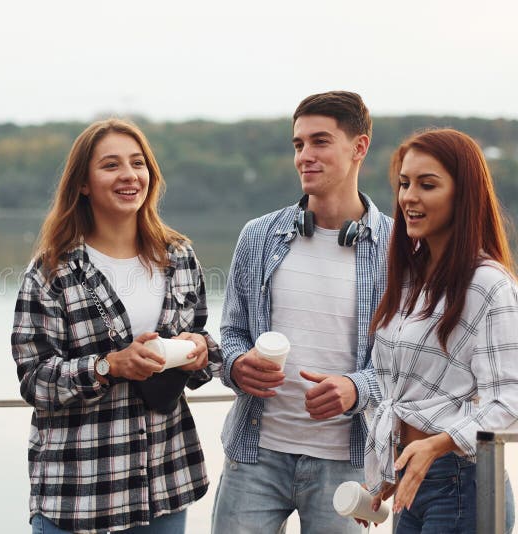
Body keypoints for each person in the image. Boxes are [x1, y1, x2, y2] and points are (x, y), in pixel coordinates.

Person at [11, 118, 223, 533]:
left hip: (163, 486)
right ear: (84, 183)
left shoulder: (178, 257)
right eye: (111, 165)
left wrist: (198, 351)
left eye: (137, 163)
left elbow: (203, 342)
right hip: (79, 494)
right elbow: (33, 381)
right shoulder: (51, 271)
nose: (128, 175)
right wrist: (109, 366)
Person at [212, 91, 393, 533]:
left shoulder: (399, 248)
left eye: (320, 142)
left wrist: (357, 388)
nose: (305, 156)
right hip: (254, 456)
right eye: (298, 144)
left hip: (347, 465)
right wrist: (236, 366)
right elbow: (231, 333)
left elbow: (406, 363)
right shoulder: (257, 236)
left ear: (359, 147)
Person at [363, 128, 518, 532]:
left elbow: (511, 401)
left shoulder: (487, 285)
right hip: (410, 480)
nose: (409, 197)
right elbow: (397, 391)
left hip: (460, 481)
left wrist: (438, 444)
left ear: (463, 195)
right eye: (404, 183)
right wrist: (387, 468)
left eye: (427, 185)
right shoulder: (409, 279)